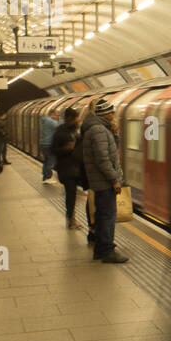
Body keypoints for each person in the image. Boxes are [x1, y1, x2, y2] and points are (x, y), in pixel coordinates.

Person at [82, 98, 128, 263]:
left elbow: (109, 150)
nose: (114, 115)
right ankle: (107, 251)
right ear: (105, 114)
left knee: (103, 216)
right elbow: (103, 159)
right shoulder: (98, 130)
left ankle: (101, 250)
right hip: (104, 182)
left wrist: (114, 134)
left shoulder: (99, 128)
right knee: (107, 216)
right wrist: (114, 180)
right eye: (111, 112)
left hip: (100, 181)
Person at [51, 107, 83, 229]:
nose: (78, 120)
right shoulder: (60, 132)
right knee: (71, 194)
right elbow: (53, 150)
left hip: (76, 167)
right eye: (76, 118)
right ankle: (71, 219)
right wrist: (65, 149)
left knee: (73, 194)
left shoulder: (76, 131)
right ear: (70, 119)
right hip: (66, 169)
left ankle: (72, 218)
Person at [39, 112, 59, 182]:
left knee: (46, 161)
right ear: (52, 114)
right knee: (51, 161)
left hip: (43, 144)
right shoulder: (50, 121)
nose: (57, 117)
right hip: (49, 144)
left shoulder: (45, 120)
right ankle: (48, 177)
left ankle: (44, 177)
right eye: (57, 115)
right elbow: (59, 125)